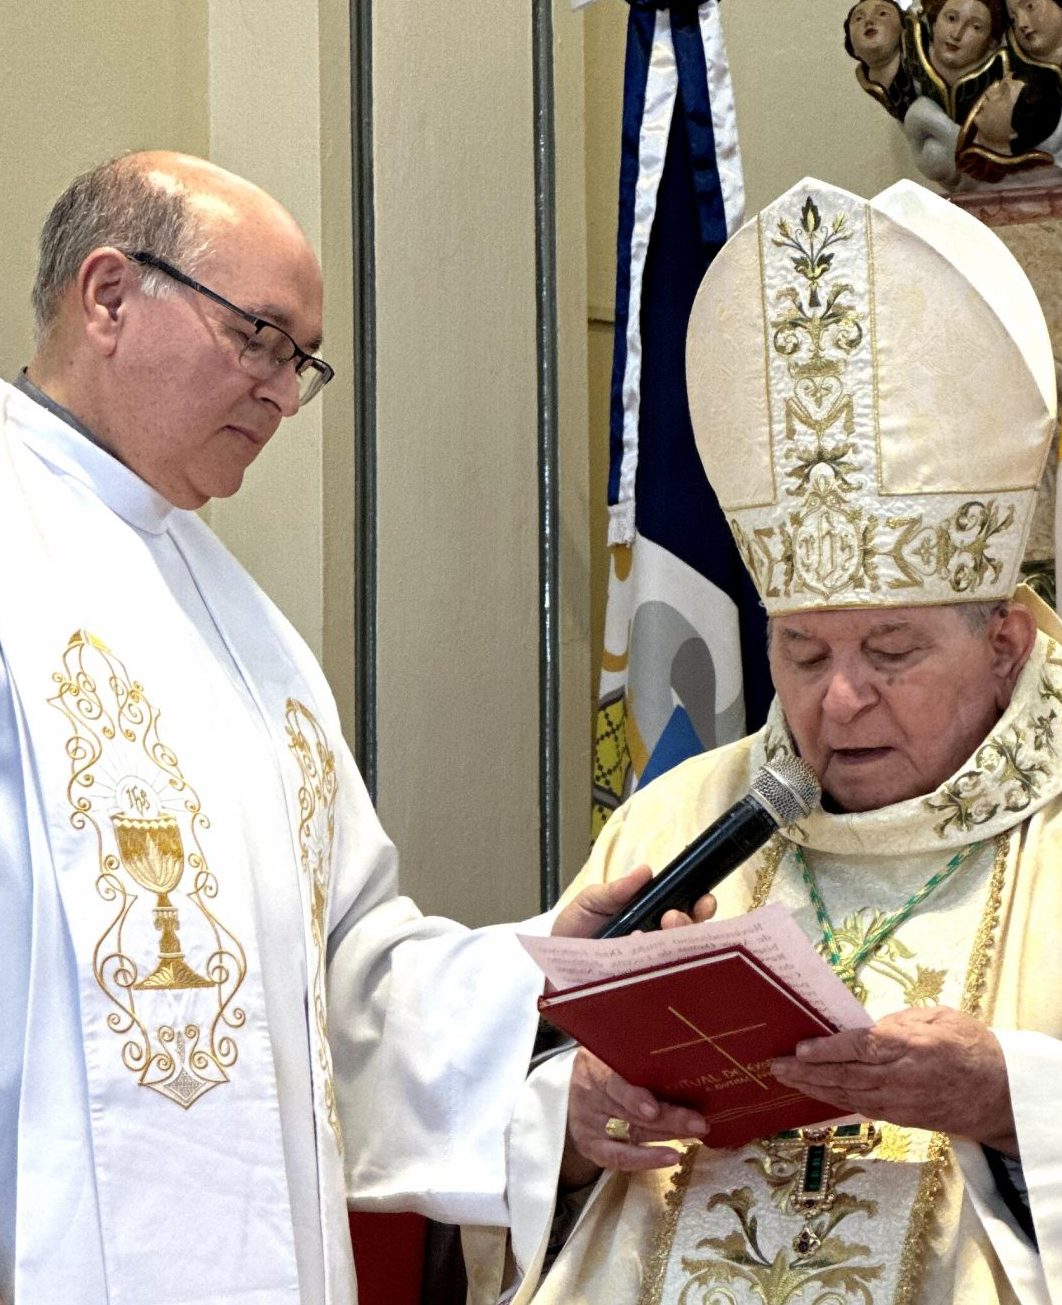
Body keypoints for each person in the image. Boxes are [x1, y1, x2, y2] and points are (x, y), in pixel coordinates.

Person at [477, 178, 1062, 1304]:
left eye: (891, 655)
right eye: (802, 656)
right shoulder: (677, 825)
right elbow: (512, 1098)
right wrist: (574, 1113)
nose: (839, 701)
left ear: (1003, 641)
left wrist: (1011, 1097)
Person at [0, 151, 673, 1303]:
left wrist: (558, 968)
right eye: (256, 337)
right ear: (107, 295)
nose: (278, 389)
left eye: (298, 361)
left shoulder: (243, 627)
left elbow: (339, 979)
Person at [845, 0, 918, 120]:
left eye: (882, 13)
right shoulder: (867, 83)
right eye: (859, 19)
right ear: (853, 49)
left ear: (903, 28)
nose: (869, 21)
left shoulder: (920, 68)